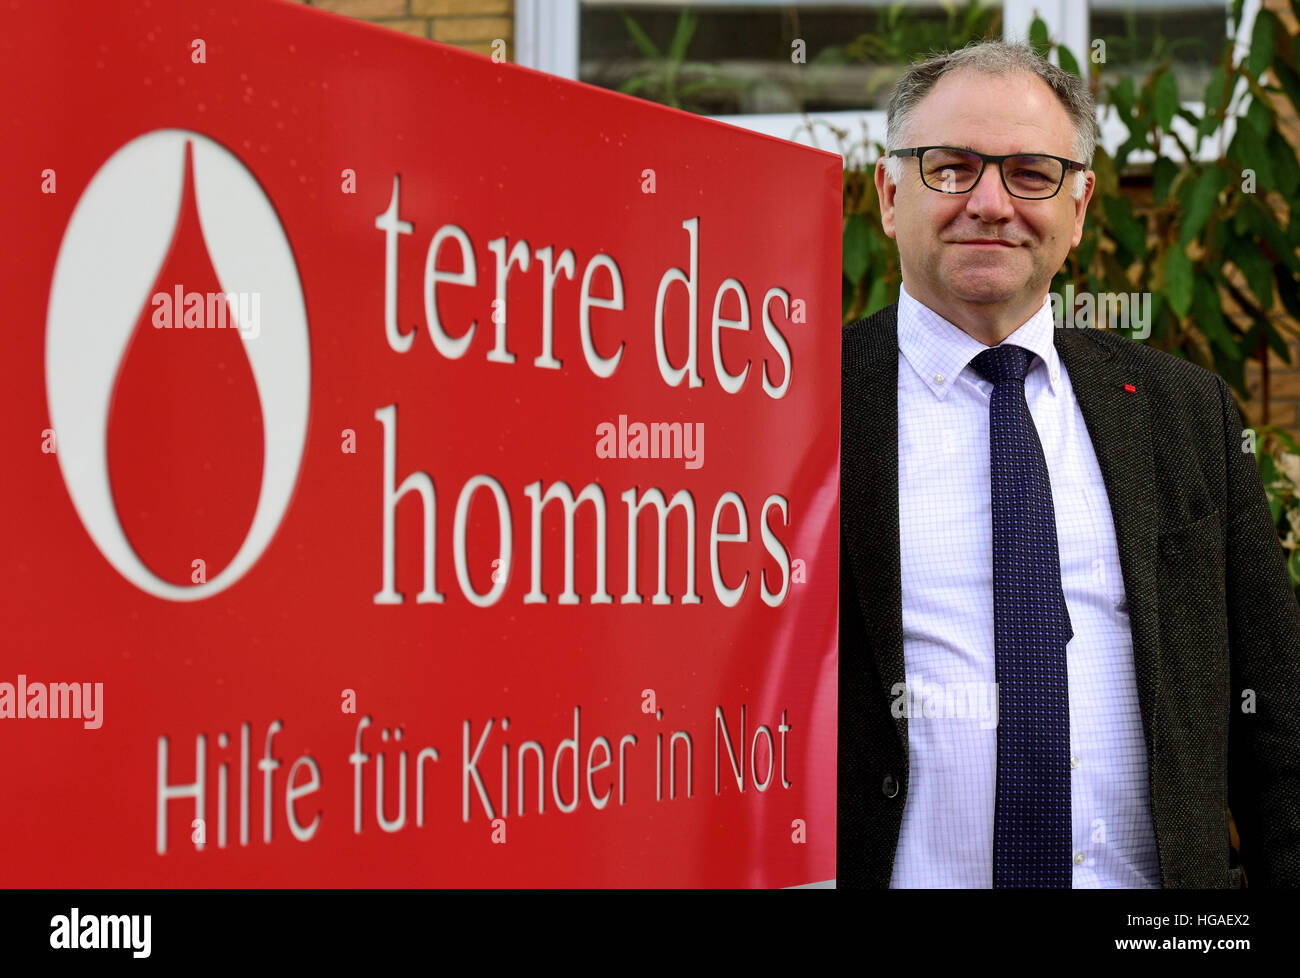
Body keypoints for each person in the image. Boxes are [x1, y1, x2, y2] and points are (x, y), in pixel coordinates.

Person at [838, 40, 1300, 888]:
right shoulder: (802, 408)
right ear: (888, 192)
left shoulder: (1184, 412)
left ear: (1081, 206)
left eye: (1030, 173)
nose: (988, 202)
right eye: (949, 167)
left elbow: (1279, 726)